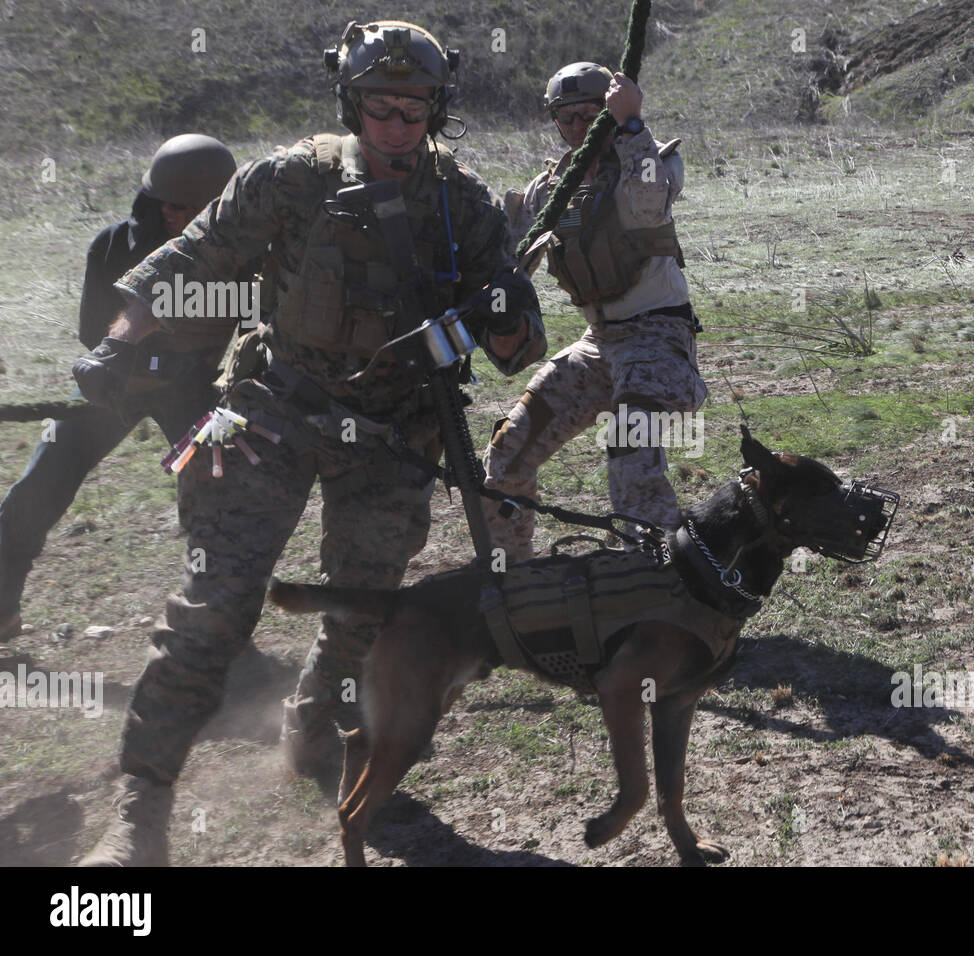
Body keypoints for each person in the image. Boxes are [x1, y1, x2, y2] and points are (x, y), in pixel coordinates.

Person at [73, 19, 544, 865]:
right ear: (350, 102)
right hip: (276, 408)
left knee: (365, 605)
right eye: (379, 107)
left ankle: (315, 721)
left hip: (395, 429)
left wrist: (505, 316)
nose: (396, 125)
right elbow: (187, 258)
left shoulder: (462, 201)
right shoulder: (293, 178)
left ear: (437, 109)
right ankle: (140, 801)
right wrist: (115, 343)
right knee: (216, 600)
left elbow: (516, 353)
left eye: (413, 109)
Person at [0, 134, 250, 641]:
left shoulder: (244, 256)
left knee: (222, 502)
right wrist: (144, 365)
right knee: (35, 490)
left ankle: (212, 630)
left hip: (196, 394)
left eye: (199, 207)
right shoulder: (113, 246)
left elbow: (259, 331)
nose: (181, 215)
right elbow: (96, 335)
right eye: (172, 204)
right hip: (115, 387)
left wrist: (221, 388)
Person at [485, 62, 706, 562]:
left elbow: (649, 206)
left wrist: (631, 124)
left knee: (633, 466)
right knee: (507, 454)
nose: (582, 128)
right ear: (555, 123)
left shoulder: (648, 159)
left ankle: (665, 588)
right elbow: (507, 256)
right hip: (598, 345)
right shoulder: (549, 191)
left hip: (658, 340)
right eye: (569, 119)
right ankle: (512, 579)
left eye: (593, 114)